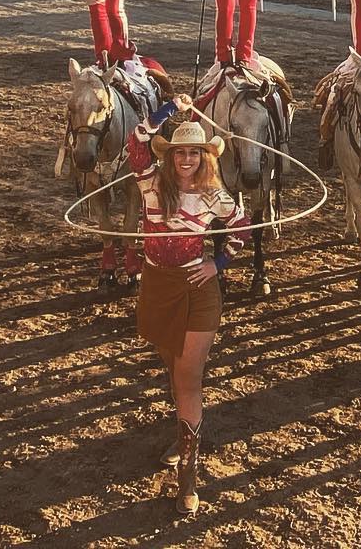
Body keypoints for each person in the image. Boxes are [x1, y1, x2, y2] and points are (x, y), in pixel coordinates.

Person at [129, 101, 248, 515]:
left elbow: (241, 226)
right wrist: (165, 110)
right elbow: (136, 141)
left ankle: (189, 477)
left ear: (205, 156)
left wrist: (218, 263)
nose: (186, 158)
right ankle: (184, 439)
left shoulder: (215, 195)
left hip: (197, 289)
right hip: (157, 285)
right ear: (169, 156)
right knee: (173, 370)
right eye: (179, 152)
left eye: (194, 152)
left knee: (188, 377)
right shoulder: (149, 183)